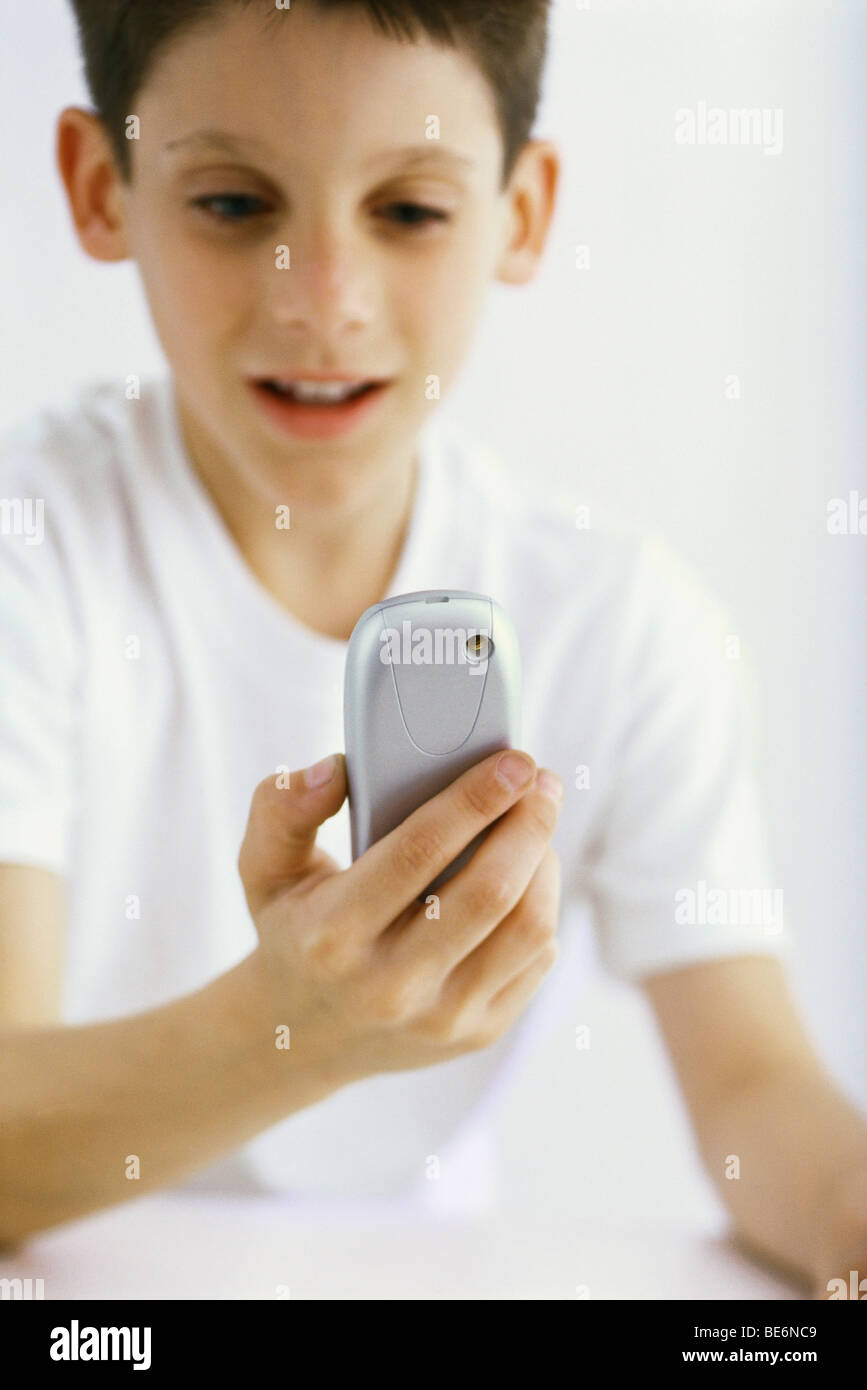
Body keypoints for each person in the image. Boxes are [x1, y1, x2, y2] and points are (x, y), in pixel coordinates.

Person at [0, 0, 864, 1297]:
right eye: (235, 204)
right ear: (98, 184)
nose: (322, 300)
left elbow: (755, 1088)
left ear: (523, 210)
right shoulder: (35, 556)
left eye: (407, 211)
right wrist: (299, 1027)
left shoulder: (622, 626)